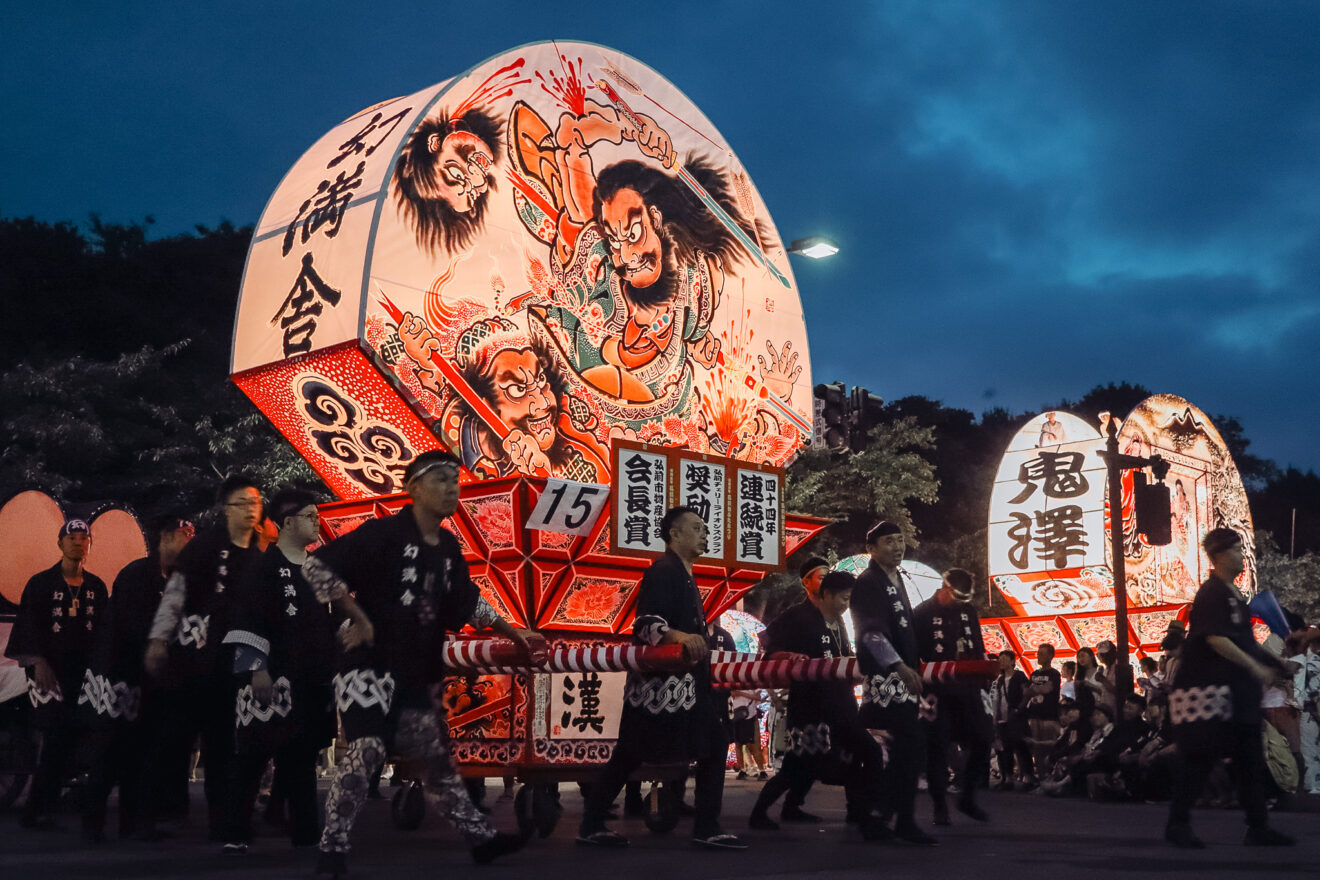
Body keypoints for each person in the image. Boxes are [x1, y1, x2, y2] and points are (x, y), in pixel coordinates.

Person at [300, 450, 537, 876]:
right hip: (366, 667)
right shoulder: (382, 535)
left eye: (455, 480)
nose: (452, 488)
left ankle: (481, 841)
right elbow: (317, 567)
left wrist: (514, 633)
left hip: (414, 670)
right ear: (412, 487)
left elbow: (467, 602)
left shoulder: (447, 547)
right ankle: (332, 848)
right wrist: (357, 616)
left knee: (436, 762)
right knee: (366, 749)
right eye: (442, 479)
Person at [577, 506, 746, 850]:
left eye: (704, 528)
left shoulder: (684, 574)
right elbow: (646, 625)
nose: (704, 533)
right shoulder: (663, 571)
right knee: (636, 754)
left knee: (698, 746)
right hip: (660, 691)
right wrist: (679, 637)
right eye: (696, 528)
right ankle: (705, 826)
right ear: (674, 534)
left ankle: (594, 823)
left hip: (678, 690)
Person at [143, 476, 265, 841]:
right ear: (226, 508)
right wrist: (158, 639)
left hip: (233, 663)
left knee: (225, 743)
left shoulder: (258, 554)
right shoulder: (203, 548)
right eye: (242, 502)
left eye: (255, 502)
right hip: (192, 661)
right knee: (177, 738)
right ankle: (166, 811)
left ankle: (222, 819)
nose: (250, 509)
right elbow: (176, 595)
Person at [219, 489, 338, 852]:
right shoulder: (262, 567)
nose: (317, 521)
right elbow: (246, 617)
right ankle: (235, 832)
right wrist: (256, 667)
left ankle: (305, 833)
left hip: (311, 678)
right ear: (287, 522)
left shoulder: (319, 567)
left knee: (302, 756)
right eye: (310, 515)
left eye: (317, 515)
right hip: (271, 675)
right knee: (253, 755)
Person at [1165, 527, 1299, 849]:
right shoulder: (1212, 593)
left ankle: (1257, 826)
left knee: (1249, 760)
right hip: (1208, 693)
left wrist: (1278, 665)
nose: (1243, 556)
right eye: (1238, 550)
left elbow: (1245, 642)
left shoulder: (1235, 596)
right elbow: (1216, 638)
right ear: (1220, 556)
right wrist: (1255, 666)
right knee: (1199, 759)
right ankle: (1178, 823)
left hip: (1236, 695)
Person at [80, 514, 195, 841]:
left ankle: (134, 823)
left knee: (142, 751)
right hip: (118, 673)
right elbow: (132, 625)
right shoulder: (136, 574)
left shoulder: (178, 578)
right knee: (109, 751)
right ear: (166, 537)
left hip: (149, 679)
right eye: (185, 533)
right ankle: (93, 824)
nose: (190, 539)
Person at [749, 571, 889, 840]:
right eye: (843, 598)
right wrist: (790, 656)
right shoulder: (798, 617)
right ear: (826, 594)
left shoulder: (839, 622)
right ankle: (760, 813)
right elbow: (770, 652)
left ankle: (860, 811)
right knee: (797, 767)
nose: (845, 605)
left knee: (866, 752)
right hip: (811, 708)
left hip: (842, 705)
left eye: (849, 599)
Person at [6, 518, 109, 829]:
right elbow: (27, 627)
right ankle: (36, 809)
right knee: (55, 734)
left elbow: (105, 632)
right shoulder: (40, 583)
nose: (78, 542)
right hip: (47, 670)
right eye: (72, 537)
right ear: (60, 543)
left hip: (84, 673)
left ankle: (58, 799)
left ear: (90, 544)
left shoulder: (96, 587)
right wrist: (37, 661)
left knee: (83, 733)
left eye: (84, 538)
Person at [851, 520, 936, 845]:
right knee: (907, 747)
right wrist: (899, 666)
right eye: (889, 541)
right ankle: (887, 815)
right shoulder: (869, 582)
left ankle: (887, 815)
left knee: (908, 750)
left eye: (900, 540)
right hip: (887, 680)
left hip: (902, 678)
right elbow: (870, 632)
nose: (898, 546)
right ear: (871, 549)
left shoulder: (897, 578)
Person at [912, 568, 992, 824]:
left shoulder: (968, 611)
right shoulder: (923, 613)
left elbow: (977, 644)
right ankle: (939, 806)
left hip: (967, 688)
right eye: (957, 597)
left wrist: (982, 677)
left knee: (983, 740)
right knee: (938, 747)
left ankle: (967, 796)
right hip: (936, 693)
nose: (960, 603)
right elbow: (912, 653)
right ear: (945, 589)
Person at [989, 650, 1032, 790]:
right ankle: (1007, 777)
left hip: (1016, 718)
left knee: (1021, 746)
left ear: (1013, 661)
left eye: (1005, 658)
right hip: (1003, 719)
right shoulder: (999, 680)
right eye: (1000, 659)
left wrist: (1019, 709)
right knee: (1004, 749)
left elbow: (1026, 694)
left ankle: (1028, 777)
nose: (1001, 661)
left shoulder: (1019, 676)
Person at [1023, 642, 1061, 783]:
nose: (1038, 656)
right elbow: (1026, 691)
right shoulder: (1034, 673)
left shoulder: (1054, 674)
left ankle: (1049, 777)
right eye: (1038, 653)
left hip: (1048, 715)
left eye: (1042, 653)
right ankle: (1040, 777)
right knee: (1036, 747)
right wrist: (1037, 689)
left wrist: (1034, 688)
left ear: (1050, 656)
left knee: (1048, 746)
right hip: (1033, 715)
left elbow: (1048, 689)